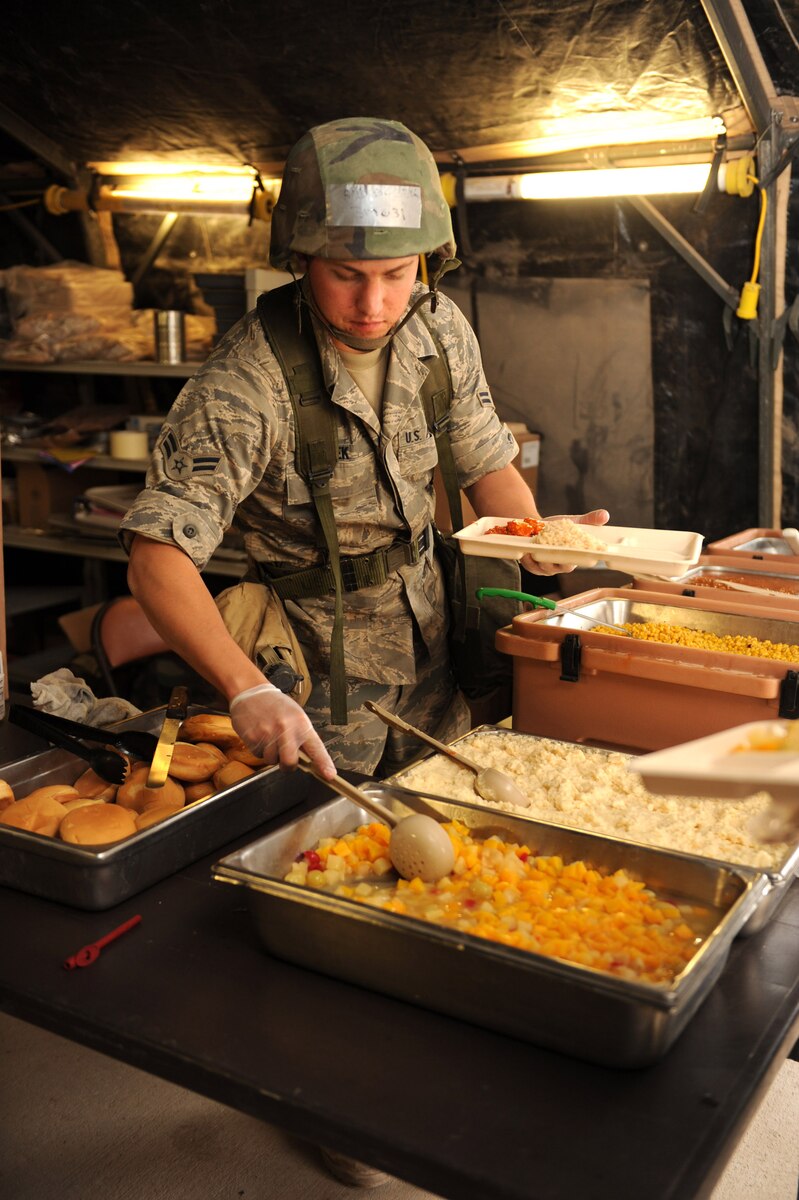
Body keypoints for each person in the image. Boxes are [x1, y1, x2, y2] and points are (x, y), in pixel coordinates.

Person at [120, 115, 608, 783]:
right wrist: (245, 689)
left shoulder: (436, 329)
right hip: (312, 689)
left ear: (428, 261)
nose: (373, 304)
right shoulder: (244, 383)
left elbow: (486, 464)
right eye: (346, 274)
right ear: (300, 259)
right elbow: (156, 560)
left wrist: (537, 534)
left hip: (438, 658)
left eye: (396, 273)